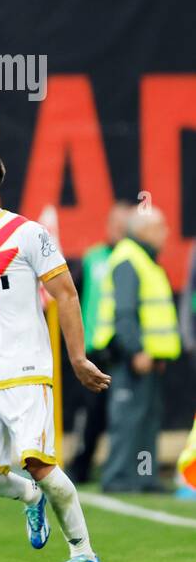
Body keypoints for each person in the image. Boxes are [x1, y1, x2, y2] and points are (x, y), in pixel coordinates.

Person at [0, 145, 109, 562]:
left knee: (40, 462)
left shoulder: (27, 234)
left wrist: (77, 358)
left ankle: (83, 554)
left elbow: (66, 294)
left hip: (25, 372)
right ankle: (30, 499)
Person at [92, 207, 181, 493]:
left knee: (146, 420)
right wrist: (136, 351)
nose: (166, 233)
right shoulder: (129, 260)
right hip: (130, 358)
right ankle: (118, 477)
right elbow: (125, 312)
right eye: (160, 227)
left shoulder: (143, 259)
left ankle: (144, 477)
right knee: (128, 419)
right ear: (143, 230)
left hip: (150, 358)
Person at [67, 200, 132, 483]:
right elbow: (70, 296)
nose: (119, 230)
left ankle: (124, 470)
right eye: (116, 224)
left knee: (124, 415)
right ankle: (80, 467)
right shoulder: (93, 258)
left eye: (124, 225)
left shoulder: (134, 259)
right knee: (91, 417)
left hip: (125, 350)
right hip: (95, 350)